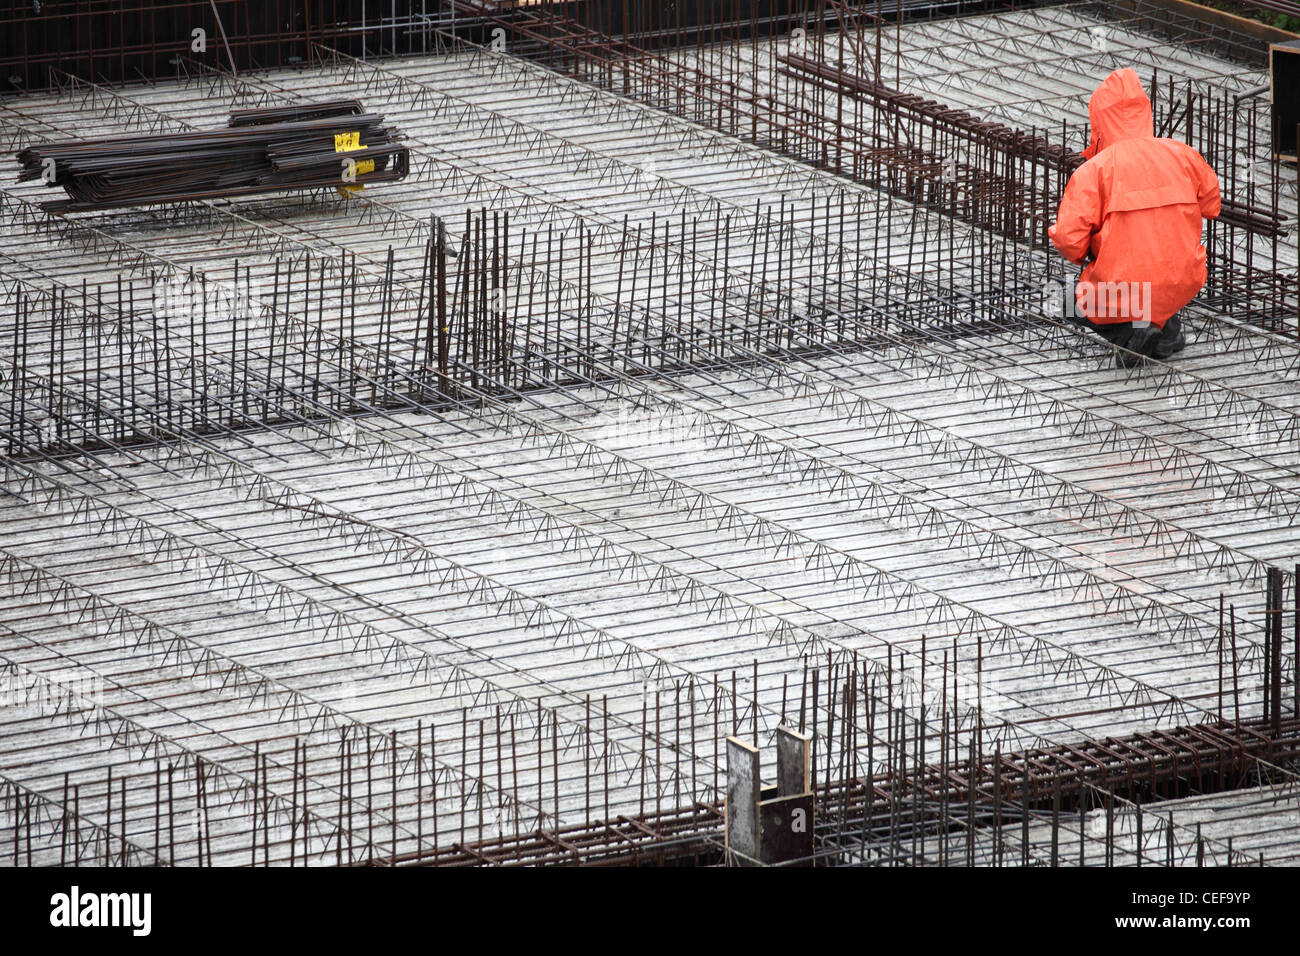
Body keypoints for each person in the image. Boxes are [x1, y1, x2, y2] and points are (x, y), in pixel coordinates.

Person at [1048, 68, 1220, 366]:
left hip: (1124, 287)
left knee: (1063, 299)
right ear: (1144, 113)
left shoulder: (1095, 171)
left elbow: (1068, 239)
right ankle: (1165, 328)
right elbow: (1211, 205)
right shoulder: (1183, 154)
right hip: (1183, 279)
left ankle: (1133, 333)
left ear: (1099, 121)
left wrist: (1087, 254)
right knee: (1156, 287)